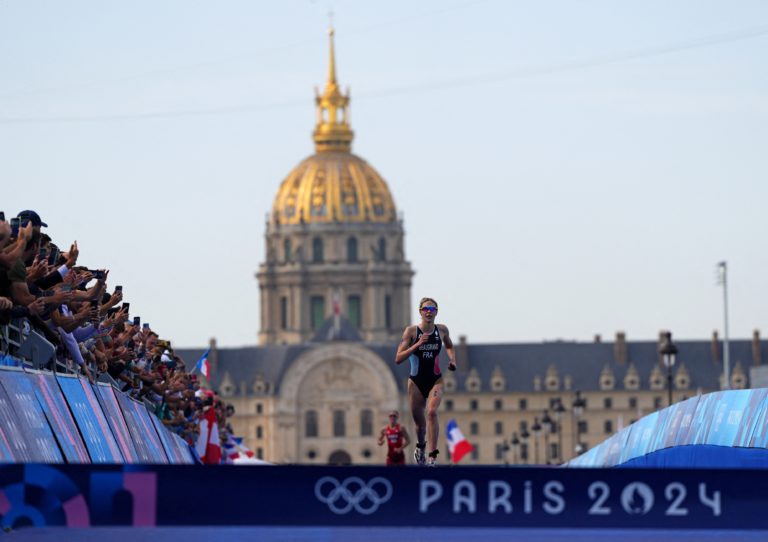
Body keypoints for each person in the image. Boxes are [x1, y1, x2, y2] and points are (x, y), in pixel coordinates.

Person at [395, 297, 456, 466]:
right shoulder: (412, 332)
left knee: (431, 413)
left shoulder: (442, 330)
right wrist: (417, 345)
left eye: (432, 309)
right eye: (426, 309)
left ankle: (432, 456)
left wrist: (453, 360)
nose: (429, 312)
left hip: (436, 379)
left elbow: (449, 345)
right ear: (420, 312)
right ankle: (420, 447)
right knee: (419, 426)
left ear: (437, 312)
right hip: (416, 381)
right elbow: (398, 358)